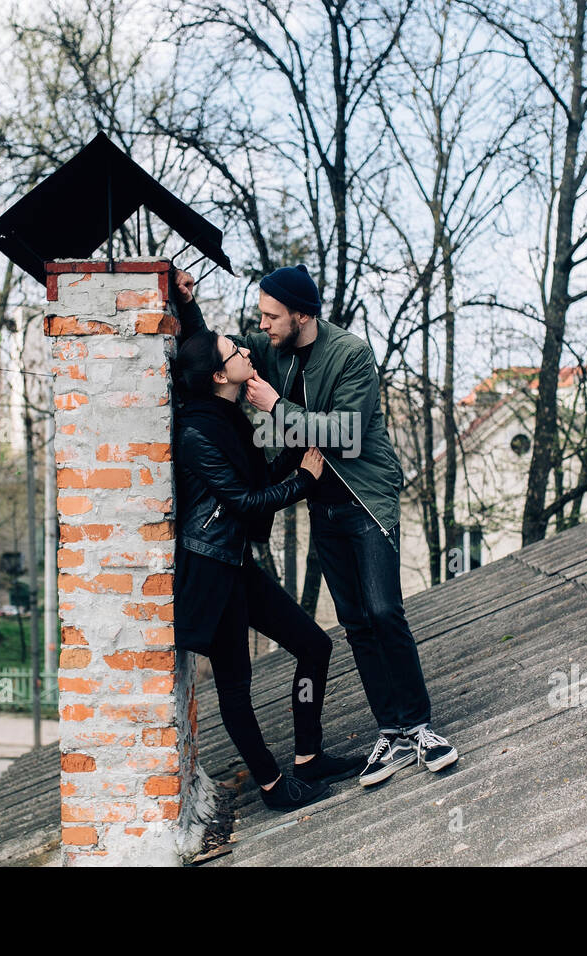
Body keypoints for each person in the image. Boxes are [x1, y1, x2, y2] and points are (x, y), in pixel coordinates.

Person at [172, 265, 459, 788]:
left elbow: (346, 432)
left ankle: (420, 726)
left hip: (363, 499)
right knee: (354, 623)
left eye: (271, 316)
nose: (261, 326)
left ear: (302, 314)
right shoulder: (271, 349)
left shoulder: (350, 354)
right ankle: (391, 732)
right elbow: (207, 355)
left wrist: (277, 406)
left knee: (384, 611)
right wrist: (186, 303)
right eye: (260, 316)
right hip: (322, 505)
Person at [171, 297, 365, 813]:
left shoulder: (226, 414)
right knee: (236, 686)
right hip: (211, 572)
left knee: (314, 646)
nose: (243, 347)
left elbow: (253, 479)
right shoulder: (197, 432)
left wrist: (290, 459)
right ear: (218, 375)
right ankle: (274, 788)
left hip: (233, 563)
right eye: (233, 350)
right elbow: (242, 502)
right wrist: (304, 478)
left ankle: (308, 757)